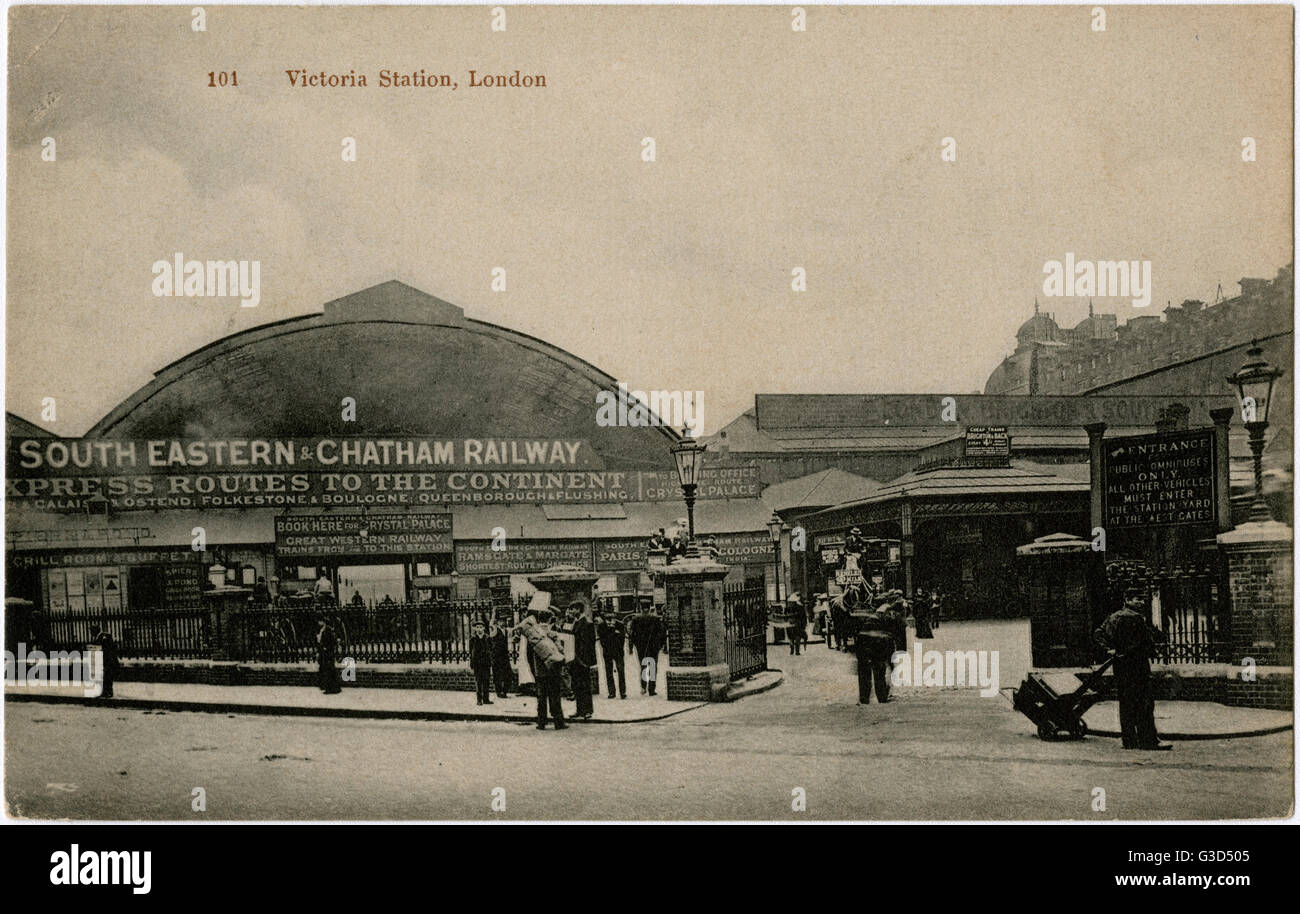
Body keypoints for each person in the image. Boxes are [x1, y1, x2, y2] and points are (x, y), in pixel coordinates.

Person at [1095, 590, 1170, 751]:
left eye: (1142, 599)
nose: (1141, 602)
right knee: (1144, 703)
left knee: (1127, 703)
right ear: (1128, 600)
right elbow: (1146, 643)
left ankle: (1129, 740)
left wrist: (1110, 650)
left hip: (1121, 667)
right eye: (1138, 599)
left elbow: (1099, 634)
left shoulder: (1114, 617)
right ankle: (1148, 740)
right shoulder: (1136, 618)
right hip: (1138, 666)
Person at [517, 610, 567, 730]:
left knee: (541, 697)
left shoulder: (532, 635)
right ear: (550, 619)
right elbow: (560, 652)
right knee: (555, 696)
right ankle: (558, 722)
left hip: (540, 672)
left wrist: (534, 671)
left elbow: (529, 655)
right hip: (553, 670)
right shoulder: (552, 634)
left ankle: (541, 722)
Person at [855, 605, 897, 704]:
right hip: (875, 651)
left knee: (865, 675)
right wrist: (890, 661)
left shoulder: (869, 620)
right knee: (879, 674)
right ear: (886, 613)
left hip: (864, 650)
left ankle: (864, 698)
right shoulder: (884, 623)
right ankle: (881, 698)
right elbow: (888, 641)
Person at [629, 605, 666, 695]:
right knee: (652, 666)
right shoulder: (655, 619)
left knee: (643, 665)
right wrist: (661, 645)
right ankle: (651, 689)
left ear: (641, 608)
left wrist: (633, 646)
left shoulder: (636, 619)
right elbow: (661, 632)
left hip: (641, 647)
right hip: (653, 647)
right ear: (649, 609)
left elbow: (632, 634)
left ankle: (643, 687)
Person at [596, 610, 628, 699]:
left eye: (612, 616)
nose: (610, 618)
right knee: (609, 672)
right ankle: (611, 692)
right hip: (607, 652)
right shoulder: (601, 626)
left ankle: (622, 692)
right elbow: (602, 640)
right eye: (608, 616)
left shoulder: (620, 625)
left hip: (618, 652)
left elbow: (622, 639)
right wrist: (613, 633)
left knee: (621, 671)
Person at [469, 618, 493, 705]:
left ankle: (486, 699)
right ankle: (479, 700)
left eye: (481, 627)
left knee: (486, 681)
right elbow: (470, 652)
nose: (479, 629)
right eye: (477, 627)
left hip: (486, 663)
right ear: (475, 629)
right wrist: (472, 663)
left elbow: (491, 650)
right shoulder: (473, 639)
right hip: (477, 664)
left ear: (484, 628)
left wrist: (490, 661)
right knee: (478, 682)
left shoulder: (488, 638)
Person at [315, 615, 342, 694]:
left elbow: (331, 641)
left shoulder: (327, 630)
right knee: (328, 671)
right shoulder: (323, 630)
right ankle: (331, 688)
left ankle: (331, 688)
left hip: (328, 654)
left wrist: (325, 647)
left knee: (329, 671)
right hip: (326, 654)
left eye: (320, 621)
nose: (319, 623)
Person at [90, 625, 119, 699]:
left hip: (109, 660)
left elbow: (108, 649)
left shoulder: (104, 637)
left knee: (108, 676)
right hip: (105, 660)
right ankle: (106, 692)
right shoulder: (98, 637)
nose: (90, 632)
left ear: (95, 630)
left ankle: (108, 692)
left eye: (92, 631)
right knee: (106, 676)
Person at [489, 615, 513, 698]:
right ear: (498, 622)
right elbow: (491, 624)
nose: (503, 622)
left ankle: (505, 691)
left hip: (504, 656)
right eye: (501, 621)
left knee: (509, 674)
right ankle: (499, 692)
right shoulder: (495, 630)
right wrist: (493, 614)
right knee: (497, 675)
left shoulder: (505, 630)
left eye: (504, 620)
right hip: (496, 656)